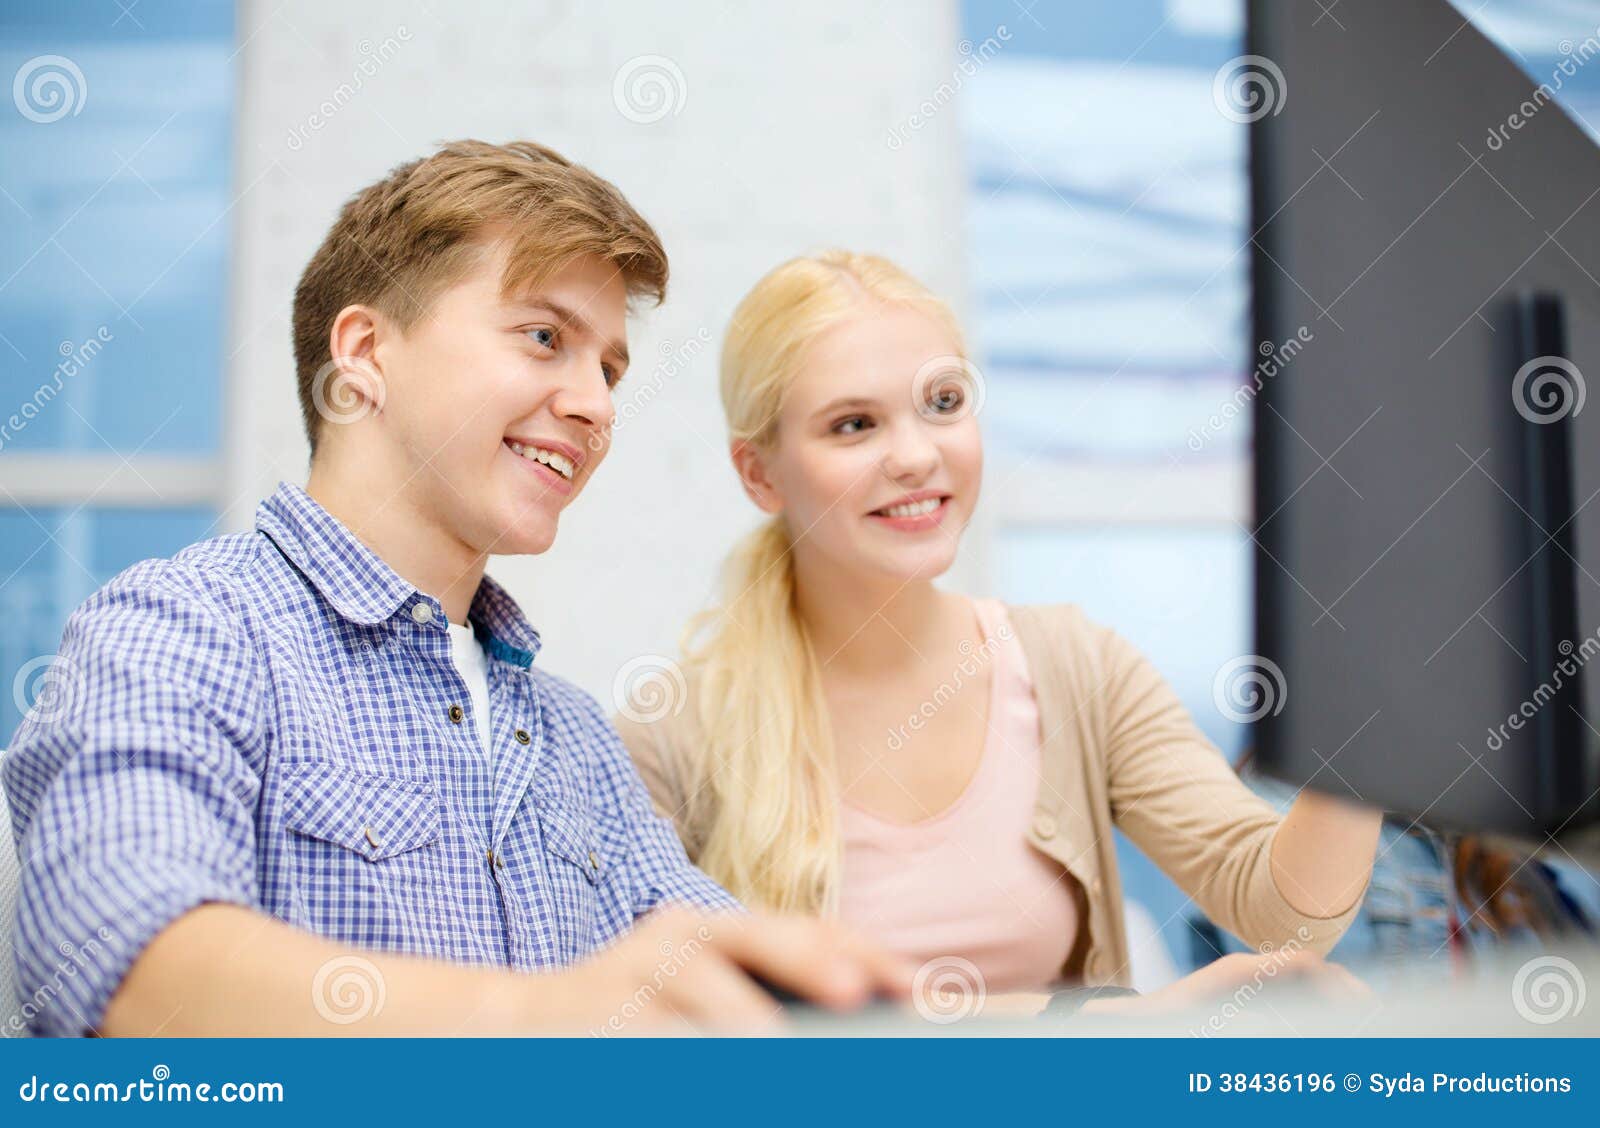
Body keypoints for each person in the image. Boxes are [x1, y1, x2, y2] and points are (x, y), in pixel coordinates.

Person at [1, 144, 910, 1038]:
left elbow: (720, 989)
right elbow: (129, 960)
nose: (597, 405)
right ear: (364, 351)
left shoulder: (576, 737)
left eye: (608, 370)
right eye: (545, 338)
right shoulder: (181, 629)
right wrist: (548, 1016)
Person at [615, 250, 1383, 1016]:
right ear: (759, 474)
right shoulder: (670, 741)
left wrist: (1372, 687)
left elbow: (1287, 915)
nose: (917, 456)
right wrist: (1117, 1023)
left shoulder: (1076, 668)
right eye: (854, 425)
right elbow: (661, 1028)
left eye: (943, 403)